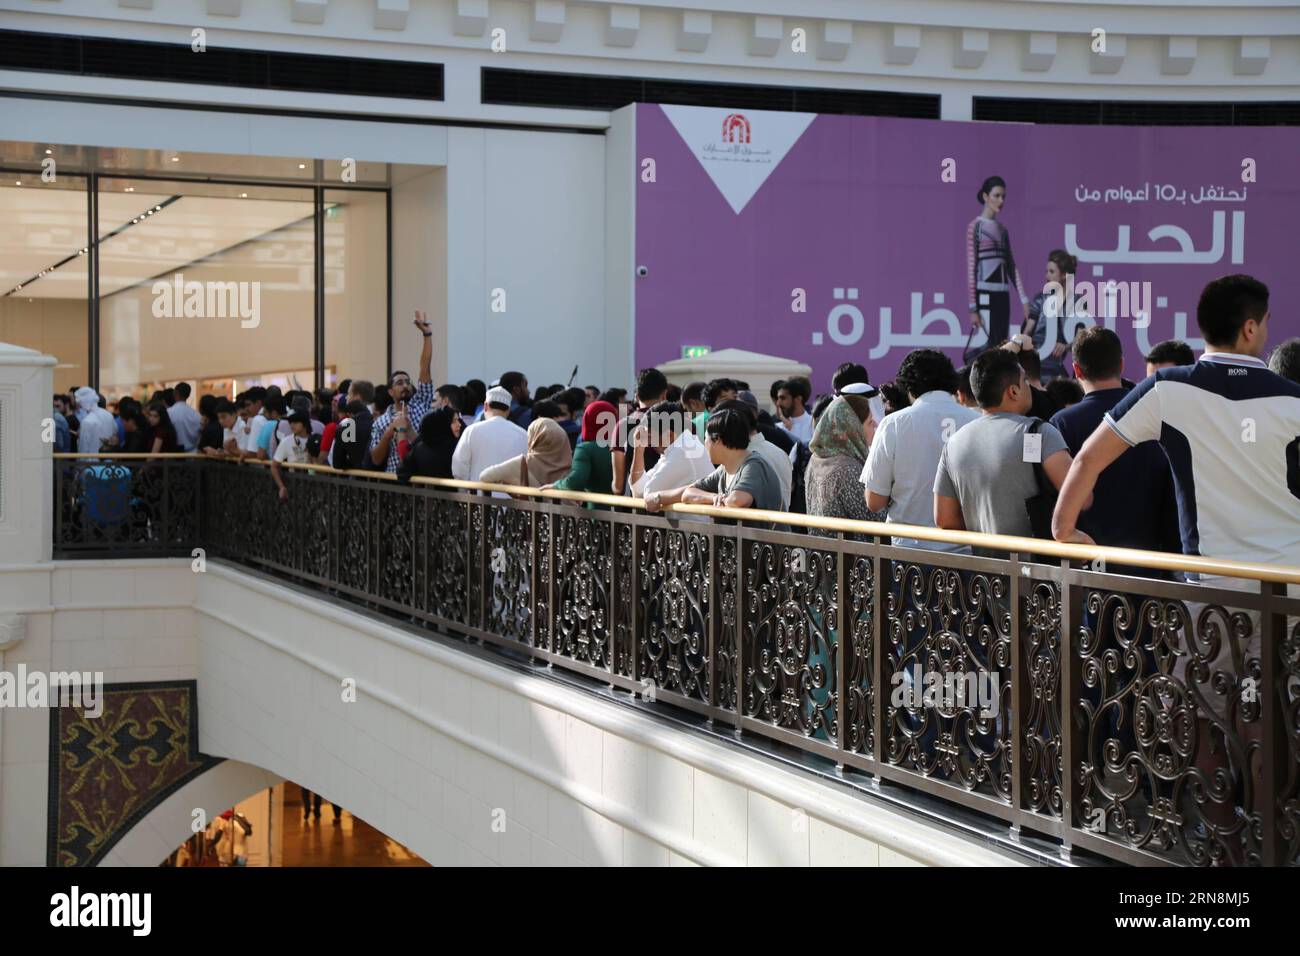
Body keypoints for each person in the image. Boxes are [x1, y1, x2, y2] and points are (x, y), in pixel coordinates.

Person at [1054, 274, 1300, 569]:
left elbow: (1087, 459)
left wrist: (1063, 529)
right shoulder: (1294, 398)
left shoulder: (1165, 388)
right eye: (1264, 323)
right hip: (1287, 579)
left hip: (1211, 583)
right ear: (1250, 328)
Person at [1048, 326, 1180, 570]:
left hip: (1092, 566)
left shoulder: (1062, 423)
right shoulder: (1155, 415)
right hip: (1153, 564)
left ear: (1076, 370)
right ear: (1121, 364)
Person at [934, 348, 1077, 556]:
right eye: (1025, 380)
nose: (1029, 386)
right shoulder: (1039, 432)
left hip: (984, 579)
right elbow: (1081, 497)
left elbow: (944, 519)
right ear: (1013, 391)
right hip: (1039, 577)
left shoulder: (954, 443)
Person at [862, 348, 980, 551]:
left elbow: (874, 501)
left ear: (907, 386)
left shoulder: (894, 424)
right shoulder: (976, 421)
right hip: (965, 552)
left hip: (909, 553)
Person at [643, 408, 783, 520]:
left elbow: (737, 501)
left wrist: (719, 499)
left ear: (718, 440)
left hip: (767, 552)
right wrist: (714, 497)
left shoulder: (753, 465)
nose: (704, 444)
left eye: (706, 439)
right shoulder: (724, 470)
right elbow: (688, 492)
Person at [967, 175, 1031, 353]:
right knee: (989, 345)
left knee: (1001, 342)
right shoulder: (976, 227)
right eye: (996, 195)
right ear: (986, 196)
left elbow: (1010, 266)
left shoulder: (1002, 230)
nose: (1001, 200)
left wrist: (1024, 300)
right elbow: (972, 268)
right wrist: (973, 307)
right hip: (984, 293)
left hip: (1002, 294)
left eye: (1003, 196)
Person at [369, 312, 437, 472]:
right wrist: (388, 433)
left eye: (407, 382)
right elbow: (376, 459)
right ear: (391, 392)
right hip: (395, 482)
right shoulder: (381, 422)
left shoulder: (421, 404)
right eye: (400, 383)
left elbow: (425, 368)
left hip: (421, 480)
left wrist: (427, 335)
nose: (405, 385)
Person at [804, 394, 881, 523]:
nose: (875, 424)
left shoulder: (816, 459)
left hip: (821, 543)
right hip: (847, 543)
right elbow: (875, 519)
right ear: (852, 429)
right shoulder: (848, 470)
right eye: (869, 422)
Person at [1021, 250, 1087, 382]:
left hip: (1054, 366)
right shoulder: (1040, 299)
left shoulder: (1077, 302)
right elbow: (1027, 331)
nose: (1047, 276)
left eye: (1051, 272)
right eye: (1046, 271)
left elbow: (1081, 339)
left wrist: (1066, 346)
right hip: (1035, 361)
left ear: (1063, 275)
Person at [714, 399, 792, 510]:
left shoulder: (739, 457)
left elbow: (737, 500)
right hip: (780, 524)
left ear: (728, 427)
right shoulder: (780, 453)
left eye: (714, 433)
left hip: (756, 525)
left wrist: (718, 499)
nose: (714, 439)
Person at [628, 401, 713, 499]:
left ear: (670, 434)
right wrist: (638, 449)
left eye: (651, 436)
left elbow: (643, 494)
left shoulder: (682, 452)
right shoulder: (679, 447)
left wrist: (638, 450)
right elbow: (639, 489)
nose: (649, 442)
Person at [451, 386, 528, 482]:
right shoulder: (523, 434)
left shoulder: (471, 430)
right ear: (508, 410)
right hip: (511, 496)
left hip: (478, 494)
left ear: (485, 406)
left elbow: (459, 468)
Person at [612, 367, 669, 495]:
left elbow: (618, 485)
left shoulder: (623, 425)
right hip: (673, 504)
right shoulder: (681, 423)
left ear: (637, 396)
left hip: (636, 505)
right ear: (664, 394)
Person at [479, 417, 572, 490]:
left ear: (534, 439)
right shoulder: (570, 466)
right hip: (569, 514)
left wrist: (511, 488)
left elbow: (485, 476)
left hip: (534, 514)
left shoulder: (522, 464)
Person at [549, 400, 616, 496]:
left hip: (596, 508)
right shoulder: (623, 446)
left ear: (588, 420)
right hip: (627, 507)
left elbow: (574, 482)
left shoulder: (585, 449)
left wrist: (557, 485)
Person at [1004, 333, 1063, 419]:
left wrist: (1016, 343)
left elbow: (987, 370)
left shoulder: (1018, 403)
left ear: (1020, 370)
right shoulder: (1058, 403)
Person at [396, 407, 461, 481]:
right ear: (441, 424)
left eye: (458, 420)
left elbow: (402, 472)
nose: (459, 424)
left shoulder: (420, 449)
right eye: (453, 421)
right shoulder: (455, 448)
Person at [270, 410, 313, 500]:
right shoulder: (286, 441)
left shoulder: (314, 439)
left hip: (313, 484)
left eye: (296, 422)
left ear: (304, 424)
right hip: (293, 485)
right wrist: (281, 486)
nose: (292, 425)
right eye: (291, 422)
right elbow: (274, 466)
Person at [74, 386, 116, 454]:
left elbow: (83, 448)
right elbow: (114, 434)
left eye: (80, 402)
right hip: (108, 461)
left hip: (91, 461)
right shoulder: (109, 415)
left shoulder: (87, 421)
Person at [776, 376, 814, 445]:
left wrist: (791, 430)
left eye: (783, 398)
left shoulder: (813, 424)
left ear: (798, 399)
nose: (778, 403)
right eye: (778, 398)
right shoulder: (777, 427)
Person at [168, 382, 202, 451]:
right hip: (193, 453)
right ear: (188, 395)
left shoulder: (169, 412)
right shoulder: (196, 414)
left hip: (174, 453)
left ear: (175, 393)